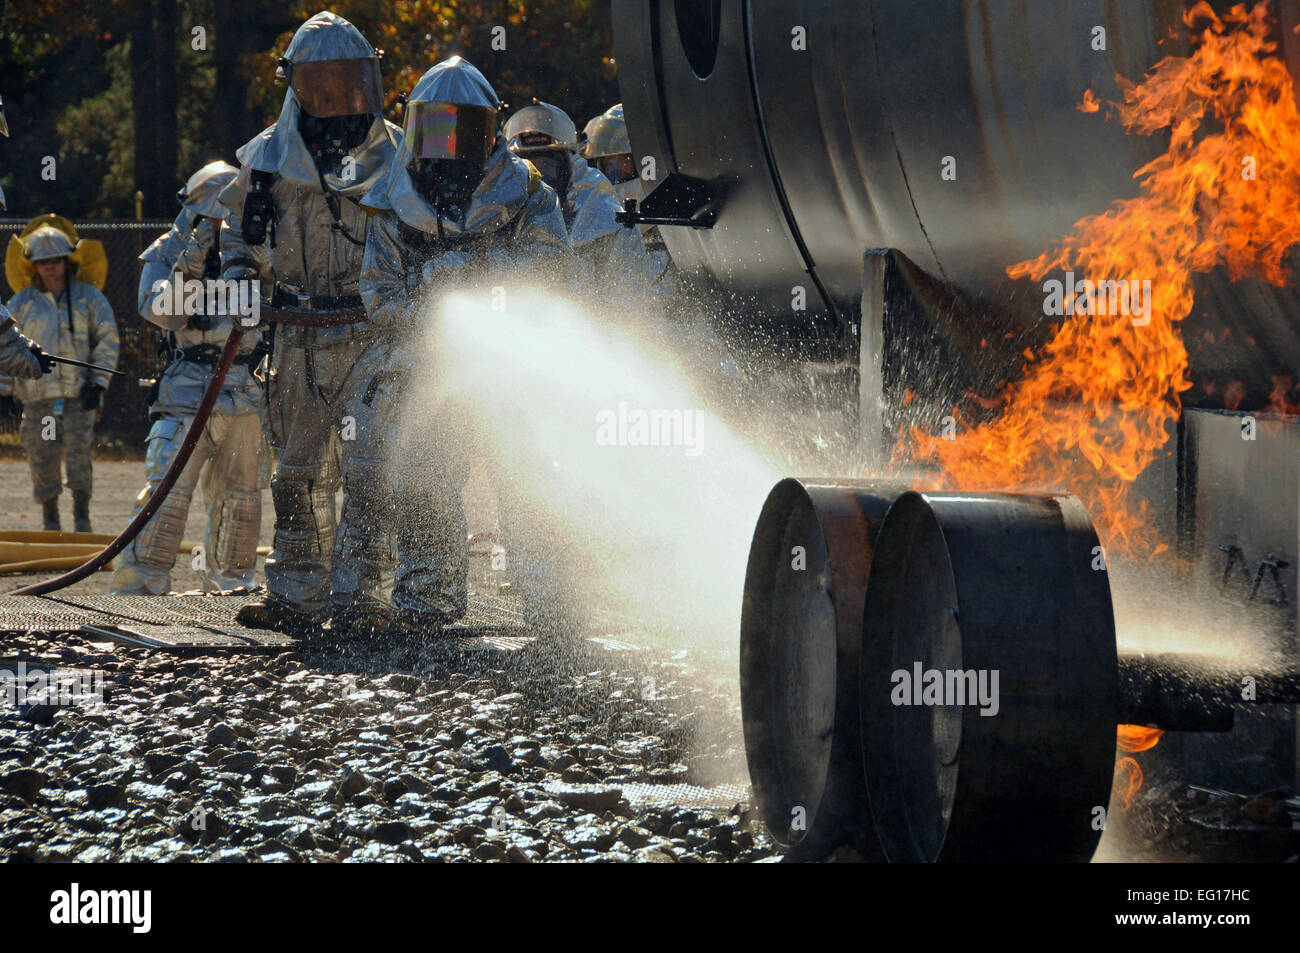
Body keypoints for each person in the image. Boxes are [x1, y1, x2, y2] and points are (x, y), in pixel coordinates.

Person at [353, 55, 571, 642]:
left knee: (526, 477)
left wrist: (485, 297)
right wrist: (430, 316)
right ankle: (428, 600)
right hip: (428, 368)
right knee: (424, 478)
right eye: (436, 131)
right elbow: (377, 290)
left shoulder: (527, 194)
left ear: (490, 131)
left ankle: (550, 600)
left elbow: (550, 271)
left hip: (508, 369)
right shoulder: (391, 203)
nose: (448, 150)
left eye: (462, 131)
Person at [219, 11, 400, 635]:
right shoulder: (267, 160)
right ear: (294, 85)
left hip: (371, 332)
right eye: (318, 84)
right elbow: (236, 234)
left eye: (343, 82)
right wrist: (241, 278)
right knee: (296, 474)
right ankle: (297, 595)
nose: (332, 99)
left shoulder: (397, 157)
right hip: (296, 331)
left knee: (370, 470)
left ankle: (362, 601)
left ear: (368, 80)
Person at [110, 160, 271, 595]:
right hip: (188, 388)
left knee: (241, 499)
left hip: (244, 387)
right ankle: (140, 587)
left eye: (229, 213)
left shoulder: (261, 249)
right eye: (214, 215)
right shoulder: (168, 251)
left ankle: (230, 586)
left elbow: (283, 310)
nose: (221, 224)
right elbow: (162, 312)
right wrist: (189, 269)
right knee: (167, 492)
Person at [3, 219, 118, 532]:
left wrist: (98, 383)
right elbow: (5, 350)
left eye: (55, 261)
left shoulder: (89, 298)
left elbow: (107, 340)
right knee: (42, 457)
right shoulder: (21, 304)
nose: (50, 268)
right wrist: (5, 392)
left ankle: (82, 518)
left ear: (67, 262)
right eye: (43, 262)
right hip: (37, 399)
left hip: (78, 397)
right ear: (33, 265)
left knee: (80, 455)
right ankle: (50, 520)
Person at [503, 101, 652, 302]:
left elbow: (630, 307)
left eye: (546, 165)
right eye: (527, 169)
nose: (538, 179)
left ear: (567, 167)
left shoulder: (611, 223)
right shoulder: (496, 218)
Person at [582, 103, 676, 295]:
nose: (612, 172)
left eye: (623, 162)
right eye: (607, 163)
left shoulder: (677, 225)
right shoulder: (598, 229)